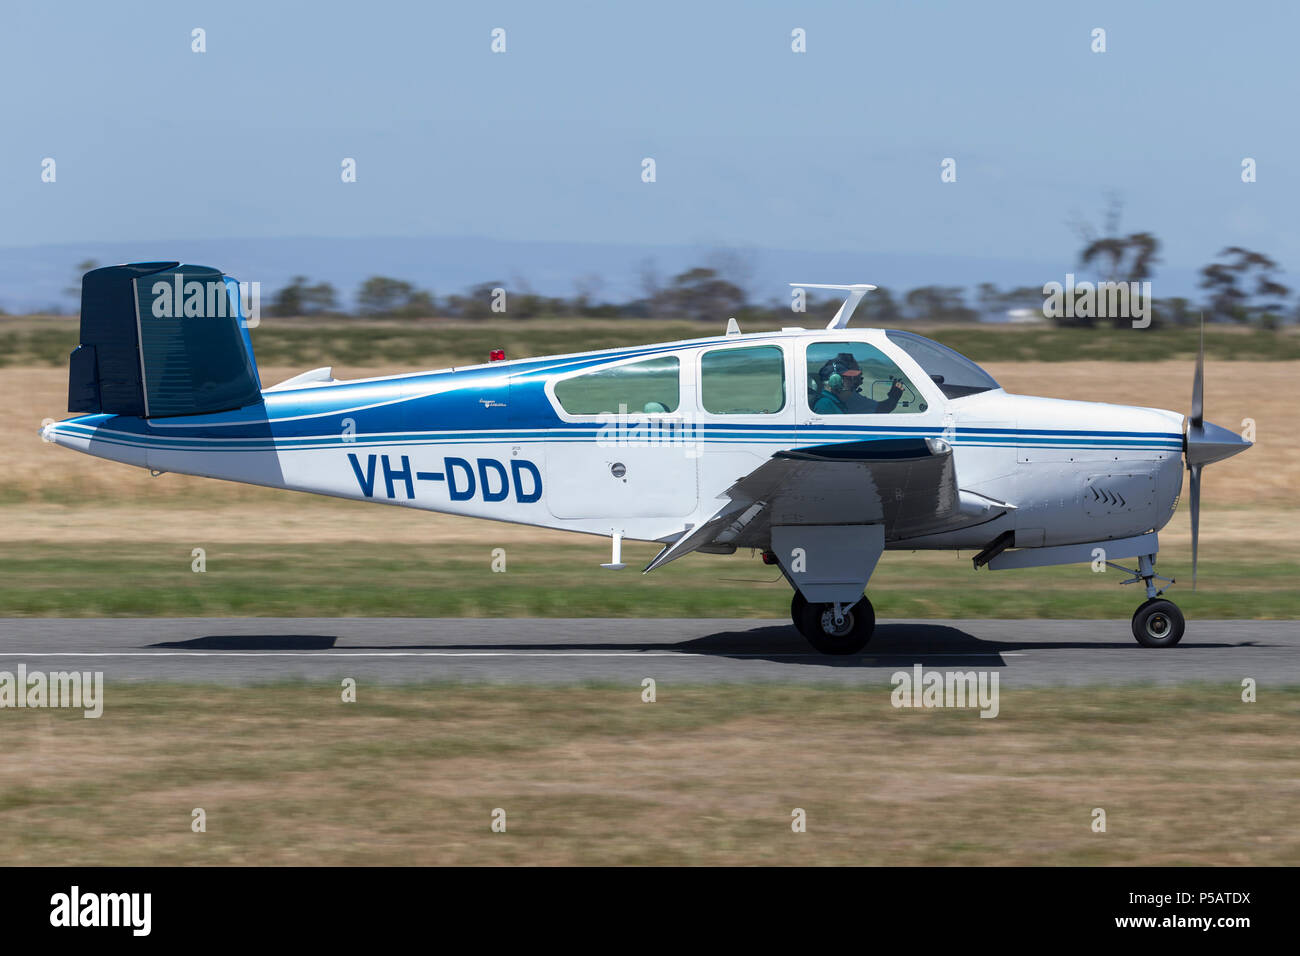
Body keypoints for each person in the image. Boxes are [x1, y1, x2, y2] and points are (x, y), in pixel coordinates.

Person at [812, 352, 905, 415]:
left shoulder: (837, 403)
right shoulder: (825, 405)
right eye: (850, 379)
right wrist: (894, 397)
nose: (854, 383)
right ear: (835, 381)